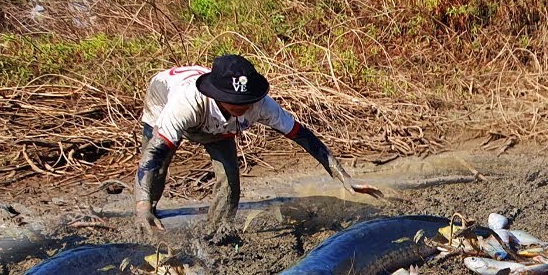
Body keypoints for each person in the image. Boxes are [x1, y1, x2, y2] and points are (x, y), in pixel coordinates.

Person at [134, 54, 382, 236]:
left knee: (230, 179)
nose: (242, 107)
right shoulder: (186, 103)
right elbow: (153, 155)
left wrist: (342, 176)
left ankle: (218, 232)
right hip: (162, 95)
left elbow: (302, 135)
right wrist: (142, 204)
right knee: (158, 169)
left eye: (247, 102)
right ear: (217, 96)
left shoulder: (261, 105)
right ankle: (148, 218)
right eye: (233, 102)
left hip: (217, 126)